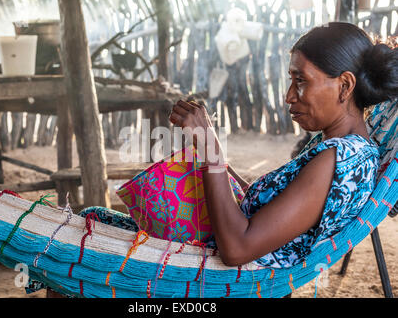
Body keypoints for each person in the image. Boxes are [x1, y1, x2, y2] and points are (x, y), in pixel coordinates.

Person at [29, 22, 396, 297]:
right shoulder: (346, 152)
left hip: (224, 279)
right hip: (221, 261)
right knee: (91, 223)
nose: (289, 96)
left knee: (77, 250)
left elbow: (237, 249)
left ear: (345, 86)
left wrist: (210, 150)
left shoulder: (337, 160)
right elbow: (276, 216)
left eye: (300, 81)